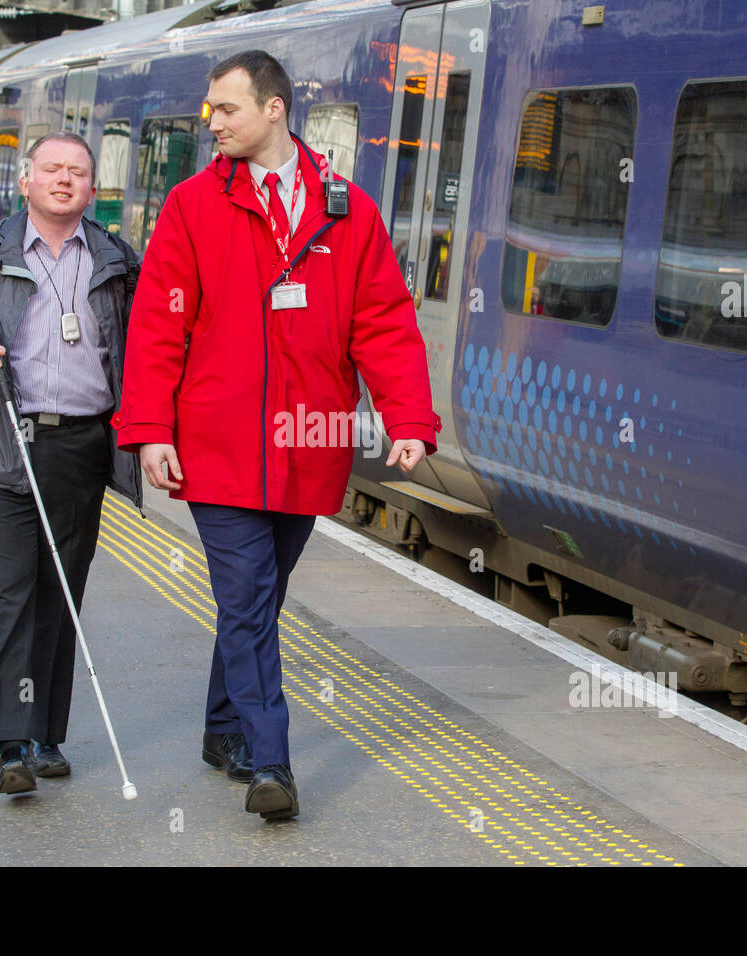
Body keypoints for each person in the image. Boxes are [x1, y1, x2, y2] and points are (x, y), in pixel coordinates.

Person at [113, 51, 440, 820]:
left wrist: (409, 419)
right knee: (252, 596)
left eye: (226, 109)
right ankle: (272, 763)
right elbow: (158, 326)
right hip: (217, 445)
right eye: (209, 110)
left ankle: (222, 727)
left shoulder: (345, 208)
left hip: (307, 444)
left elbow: (384, 321)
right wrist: (151, 429)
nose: (212, 122)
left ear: (273, 110)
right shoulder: (193, 206)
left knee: (257, 597)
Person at [0, 132, 142, 796]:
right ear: (26, 181)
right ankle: (12, 744)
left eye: (78, 172)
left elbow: (148, 345)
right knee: (9, 594)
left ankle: (46, 734)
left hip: (80, 447)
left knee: (59, 594)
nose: (65, 180)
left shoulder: (117, 260)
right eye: (52, 170)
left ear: (93, 189)